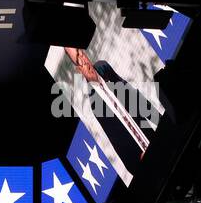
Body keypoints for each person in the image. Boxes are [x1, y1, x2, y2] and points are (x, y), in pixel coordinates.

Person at [62, 45, 157, 176]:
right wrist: (136, 163)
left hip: (153, 137)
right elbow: (118, 143)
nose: (83, 59)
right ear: (78, 69)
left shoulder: (103, 67)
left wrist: (158, 120)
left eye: (81, 52)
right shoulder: (95, 105)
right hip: (143, 157)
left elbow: (135, 97)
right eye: (78, 59)